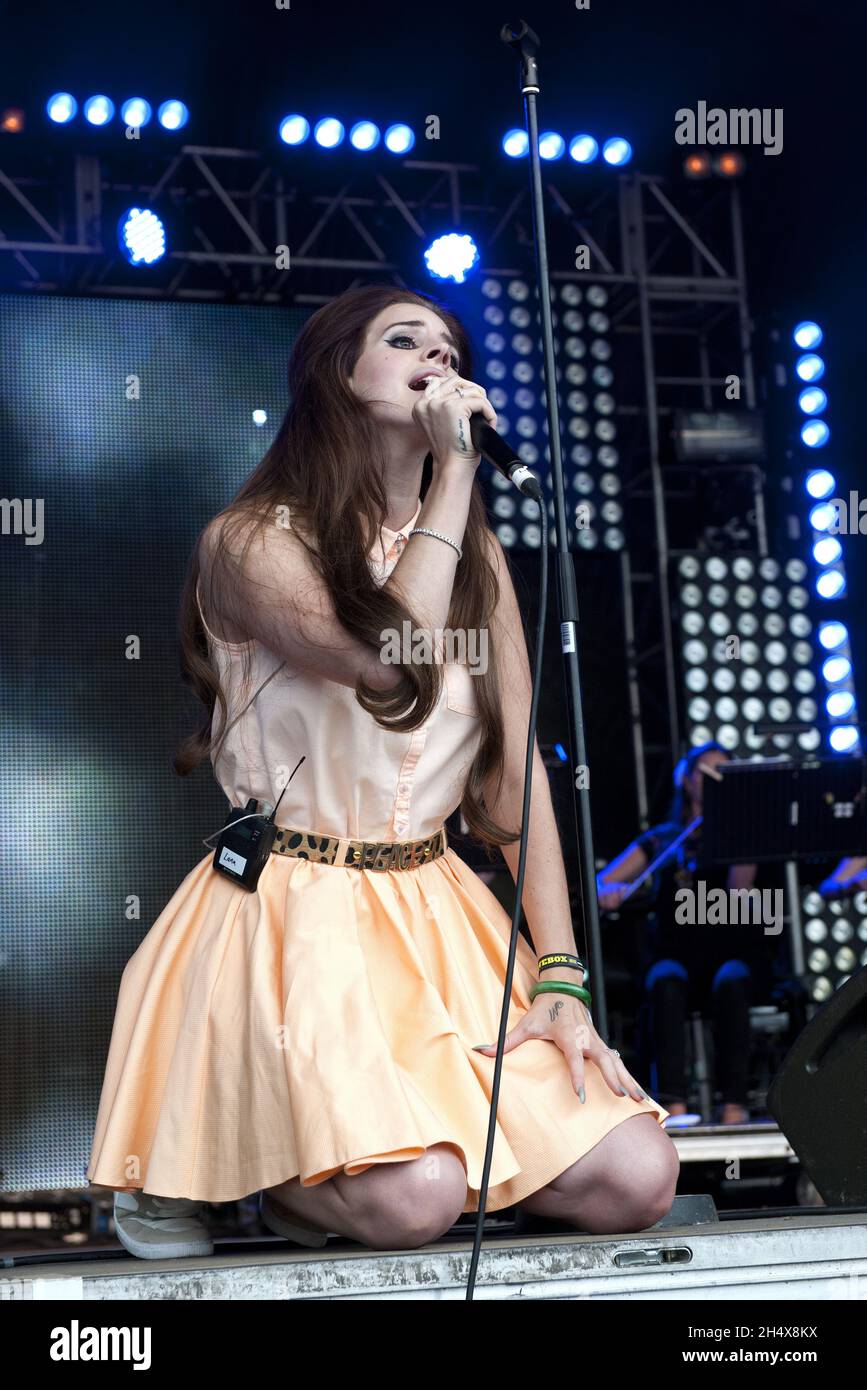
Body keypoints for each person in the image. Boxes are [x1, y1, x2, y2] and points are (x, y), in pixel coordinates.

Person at [85, 284, 677, 1258]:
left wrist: (562, 975)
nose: (439, 359)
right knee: (417, 1200)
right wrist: (453, 474)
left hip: (435, 910)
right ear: (336, 377)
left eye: (450, 347)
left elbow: (509, 776)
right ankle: (263, 1179)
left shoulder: (476, 561)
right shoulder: (251, 542)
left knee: (638, 1176)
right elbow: (388, 664)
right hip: (293, 908)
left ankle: (438, 1164)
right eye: (406, 342)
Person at [597, 742, 781, 1126]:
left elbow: (738, 895)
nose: (715, 780)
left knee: (733, 979)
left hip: (729, 950)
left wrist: (737, 832)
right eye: (706, 771)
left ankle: (734, 1105)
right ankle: (674, 1105)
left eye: (724, 773)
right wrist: (610, 893)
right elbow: (603, 882)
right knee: (665, 980)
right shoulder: (665, 838)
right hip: (675, 951)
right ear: (687, 779)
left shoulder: (741, 834)